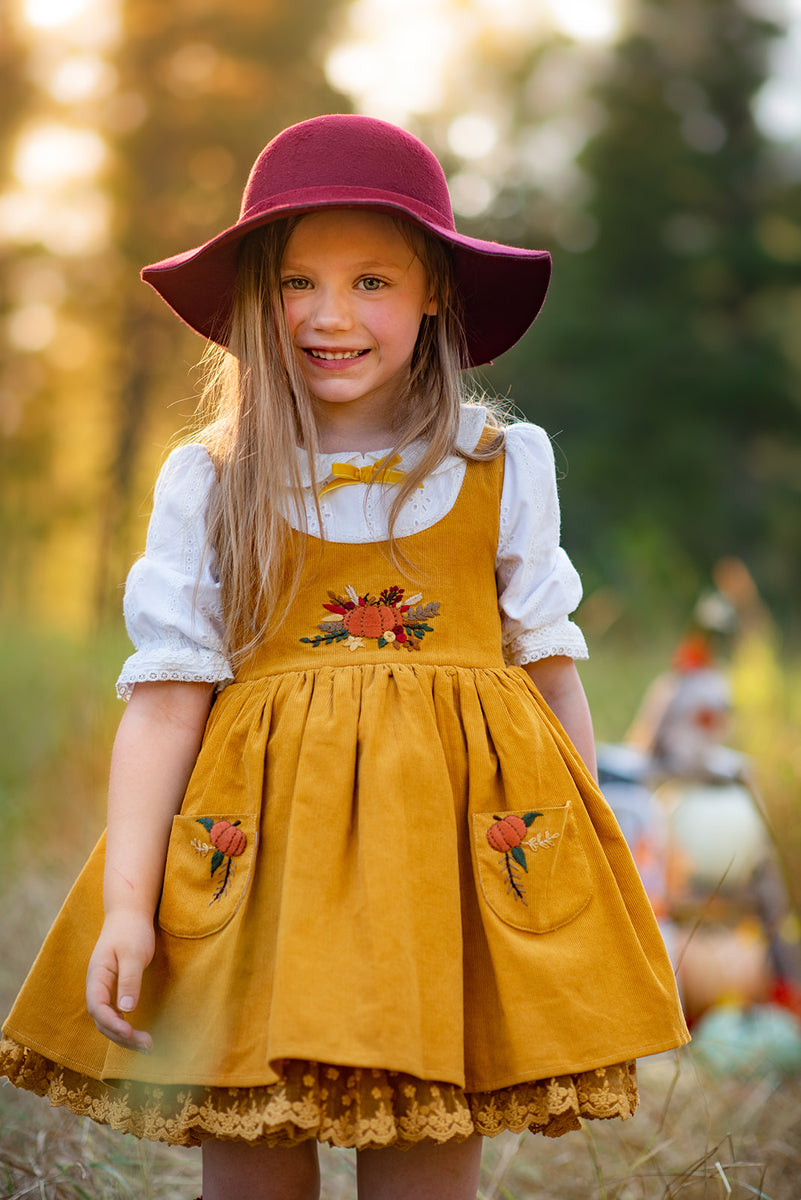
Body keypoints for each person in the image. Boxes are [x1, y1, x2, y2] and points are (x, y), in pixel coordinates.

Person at [0, 114, 689, 1200]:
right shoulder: (214, 480)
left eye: (372, 281)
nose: (330, 315)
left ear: (434, 296)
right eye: (297, 283)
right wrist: (129, 903)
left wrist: (590, 866)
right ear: (255, 299)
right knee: (251, 1154)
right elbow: (167, 704)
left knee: (426, 1153)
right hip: (257, 873)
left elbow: (549, 674)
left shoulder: (500, 464)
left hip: (446, 877)